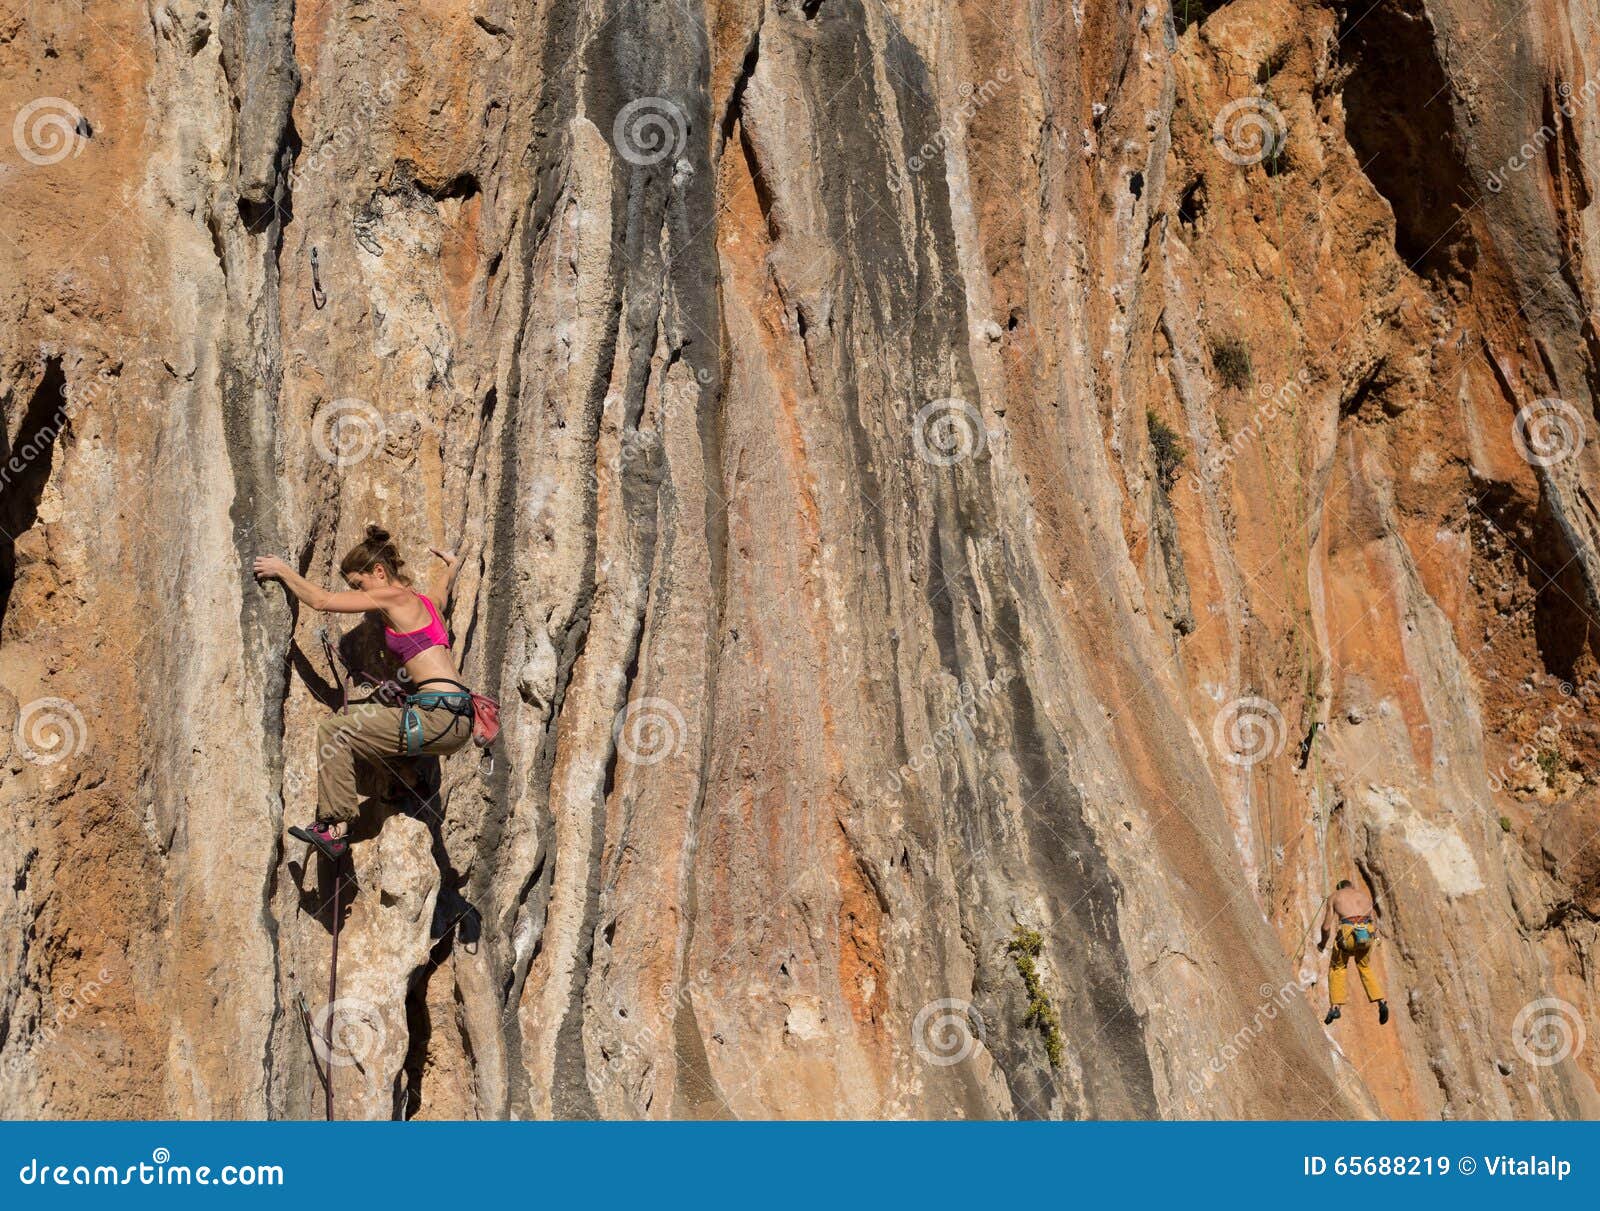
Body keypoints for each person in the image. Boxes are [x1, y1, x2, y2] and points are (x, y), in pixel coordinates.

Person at [253, 525, 473, 860]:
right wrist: (452, 566)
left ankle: (334, 828)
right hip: (454, 718)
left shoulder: (395, 596)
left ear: (380, 572)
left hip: (436, 715)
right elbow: (443, 592)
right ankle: (406, 778)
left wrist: (282, 570)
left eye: (359, 584)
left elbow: (322, 601)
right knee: (361, 724)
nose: (359, 592)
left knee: (335, 731)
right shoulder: (427, 604)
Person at [1318, 878, 1389, 1026]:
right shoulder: (1364, 897)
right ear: (1352, 887)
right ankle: (1381, 1002)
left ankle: (1335, 1007)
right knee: (1364, 967)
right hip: (1367, 935)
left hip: (1348, 933)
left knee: (1338, 967)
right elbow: (1374, 923)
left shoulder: (1335, 896)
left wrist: (1322, 944)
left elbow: (1326, 928)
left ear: (1339, 888)